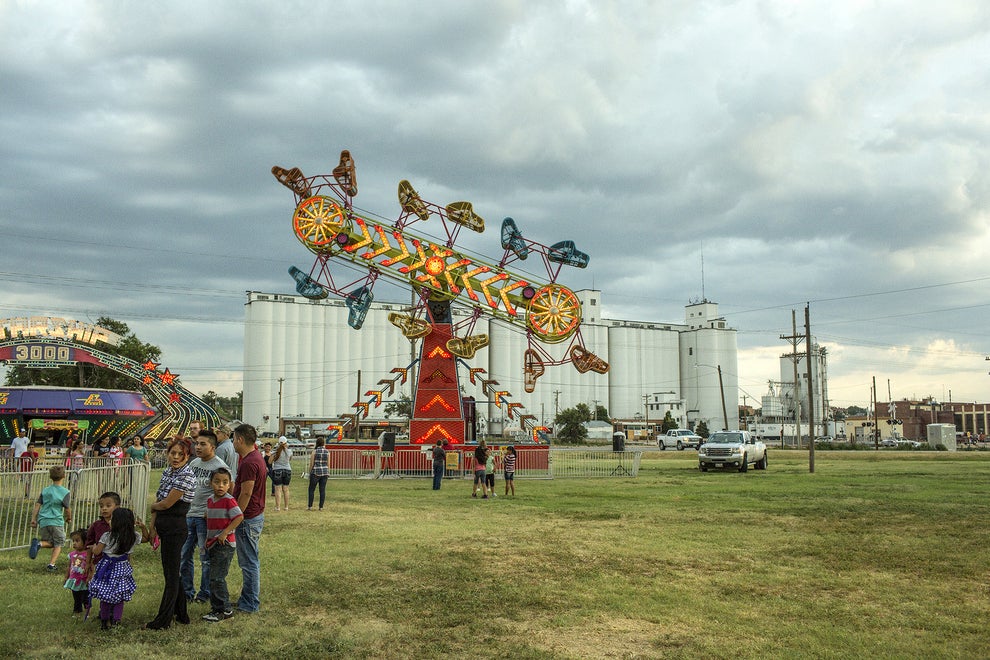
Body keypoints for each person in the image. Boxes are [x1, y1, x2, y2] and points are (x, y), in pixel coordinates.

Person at [144, 437, 196, 630]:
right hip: (164, 525)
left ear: (187, 456)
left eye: (180, 454)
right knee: (171, 573)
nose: (175, 457)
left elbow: (166, 503)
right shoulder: (167, 472)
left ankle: (162, 620)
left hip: (176, 527)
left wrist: (152, 506)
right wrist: (152, 526)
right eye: (172, 453)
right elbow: (160, 501)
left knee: (172, 576)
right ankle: (182, 614)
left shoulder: (186, 475)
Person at [180, 429, 228, 604]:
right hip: (188, 515)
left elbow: (226, 492)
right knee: (184, 555)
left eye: (202, 444)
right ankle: (186, 592)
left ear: (213, 447)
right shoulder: (193, 464)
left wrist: (213, 512)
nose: (198, 447)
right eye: (197, 443)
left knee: (205, 558)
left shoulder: (219, 466)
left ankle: (204, 593)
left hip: (204, 519)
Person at [88, 507, 149, 630]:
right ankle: (116, 621)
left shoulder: (107, 536)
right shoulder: (133, 536)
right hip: (122, 567)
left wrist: (93, 546)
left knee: (104, 596)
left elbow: (97, 551)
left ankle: (104, 622)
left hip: (106, 567)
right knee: (119, 597)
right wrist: (143, 527)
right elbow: (146, 539)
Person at [232, 423, 265, 613]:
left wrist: (236, 516)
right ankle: (247, 598)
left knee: (249, 563)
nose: (233, 443)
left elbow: (246, 494)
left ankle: (250, 603)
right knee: (249, 561)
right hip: (254, 515)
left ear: (240, 439)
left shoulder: (249, 462)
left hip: (248, 518)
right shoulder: (253, 457)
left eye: (234, 439)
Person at [203, 467, 243, 622]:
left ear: (229, 485)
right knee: (214, 577)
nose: (220, 485)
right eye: (217, 482)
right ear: (210, 483)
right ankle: (218, 607)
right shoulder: (210, 501)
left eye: (225, 482)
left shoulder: (229, 500)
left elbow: (239, 517)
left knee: (217, 578)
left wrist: (225, 532)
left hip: (224, 545)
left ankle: (224, 610)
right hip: (213, 543)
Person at [29, 465, 72, 570]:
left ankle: (39, 544)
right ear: (64, 476)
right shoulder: (65, 492)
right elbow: (67, 508)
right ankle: (51, 564)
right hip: (56, 520)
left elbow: (37, 505)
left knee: (50, 542)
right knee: (59, 543)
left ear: (50, 477)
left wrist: (33, 519)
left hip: (43, 520)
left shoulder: (45, 490)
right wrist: (69, 518)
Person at [85, 492, 121, 577]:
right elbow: (90, 545)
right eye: (101, 506)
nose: (104, 509)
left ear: (117, 507)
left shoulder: (122, 525)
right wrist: (88, 563)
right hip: (99, 562)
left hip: (118, 563)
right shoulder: (96, 525)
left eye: (108, 506)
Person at [64, 529, 91, 619]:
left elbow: (91, 567)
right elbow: (69, 566)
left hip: (84, 579)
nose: (74, 543)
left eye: (77, 541)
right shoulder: (72, 554)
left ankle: (87, 611)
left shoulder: (88, 554)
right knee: (76, 597)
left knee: (85, 597)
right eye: (73, 541)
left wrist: (89, 577)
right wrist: (66, 577)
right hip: (74, 579)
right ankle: (77, 611)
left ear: (85, 542)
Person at [307, 437, 330, 510]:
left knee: (311, 489)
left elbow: (311, 463)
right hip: (324, 472)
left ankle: (310, 506)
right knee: (322, 490)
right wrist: (328, 472)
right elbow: (328, 464)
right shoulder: (327, 452)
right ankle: (321, 507)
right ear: (323, 443)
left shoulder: (315, 451)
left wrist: (310, 472)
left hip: (316, 472)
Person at [270, 437, 292, 511]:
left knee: (278, 489)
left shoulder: (275, 451)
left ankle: (278, 507)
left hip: (277, 470)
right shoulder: (289, 451)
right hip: (287, 470)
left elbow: (270, 461)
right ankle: (286, 507)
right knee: (286, 489)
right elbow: (290, 459)